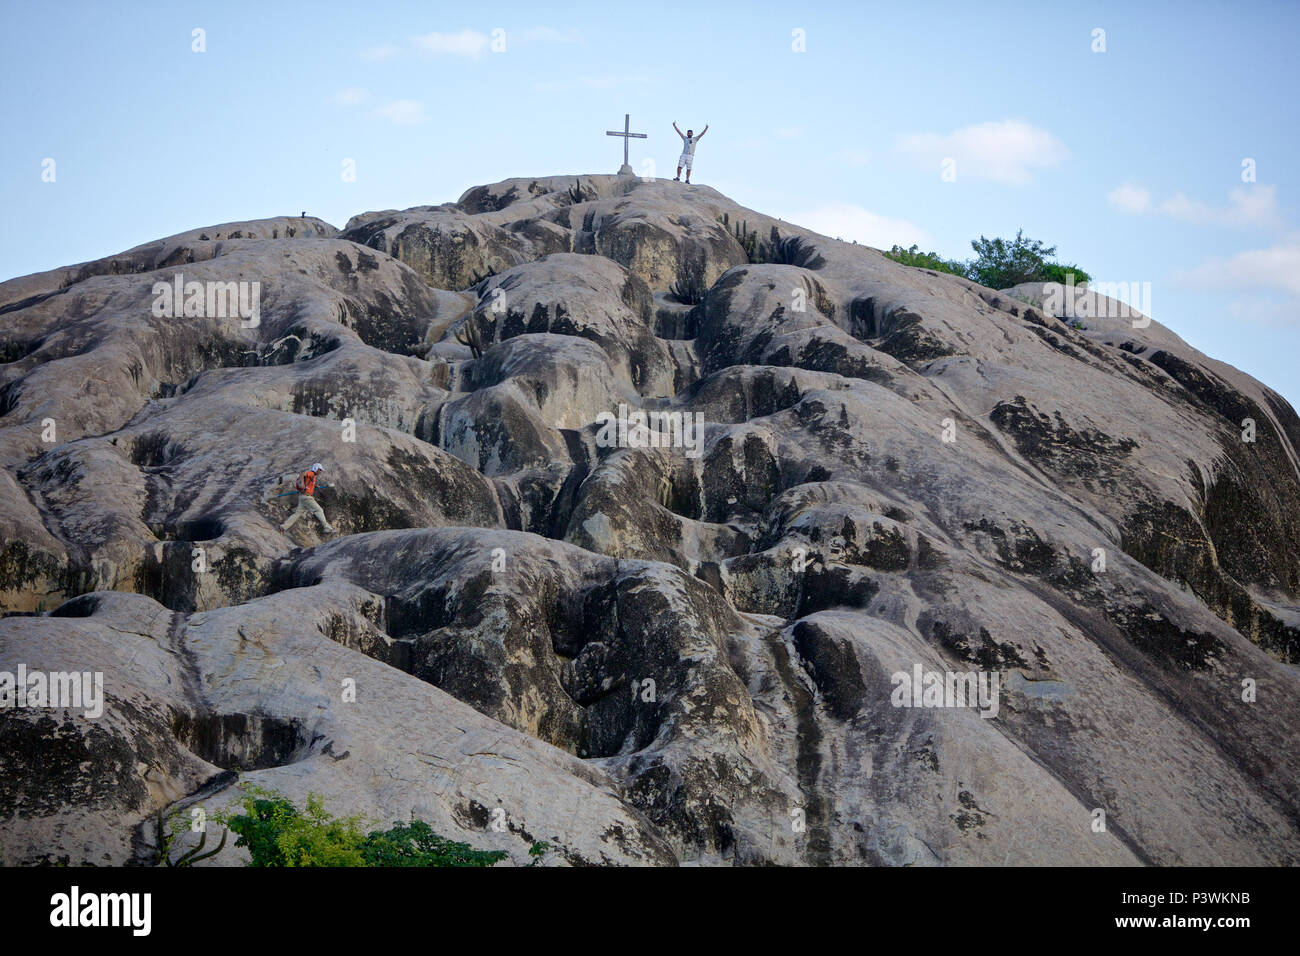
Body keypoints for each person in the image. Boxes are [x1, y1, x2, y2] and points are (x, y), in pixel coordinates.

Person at [280, 462, 335, 534]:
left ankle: (283, 527)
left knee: (297, 514)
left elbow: (309, 482)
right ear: (316, 469)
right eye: (320, 470)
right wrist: (302, 484)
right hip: (306, 497)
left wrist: (315, 486)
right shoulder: (311, 473)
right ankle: (327, 528)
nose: (320, 471)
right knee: (319, 510)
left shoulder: (313, 476)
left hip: (302, 497)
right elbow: (302, 474)